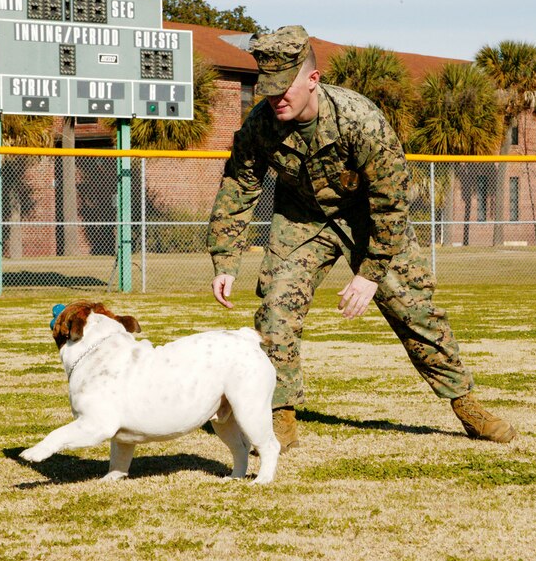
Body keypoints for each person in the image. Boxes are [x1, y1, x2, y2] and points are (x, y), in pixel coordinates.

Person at [207, 25, 516, 451]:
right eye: (268, 89)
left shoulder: (360, 119)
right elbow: (239, 185)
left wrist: (370, 274)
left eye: (284, 89)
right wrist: (225, 261)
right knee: (276, 313)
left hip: (370, 220)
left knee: (414, 312)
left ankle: (466, 404)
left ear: (312, 80)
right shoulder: (261, 124)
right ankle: (280, 416)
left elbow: (391, 204)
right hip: (304, 220)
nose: (275, 98)